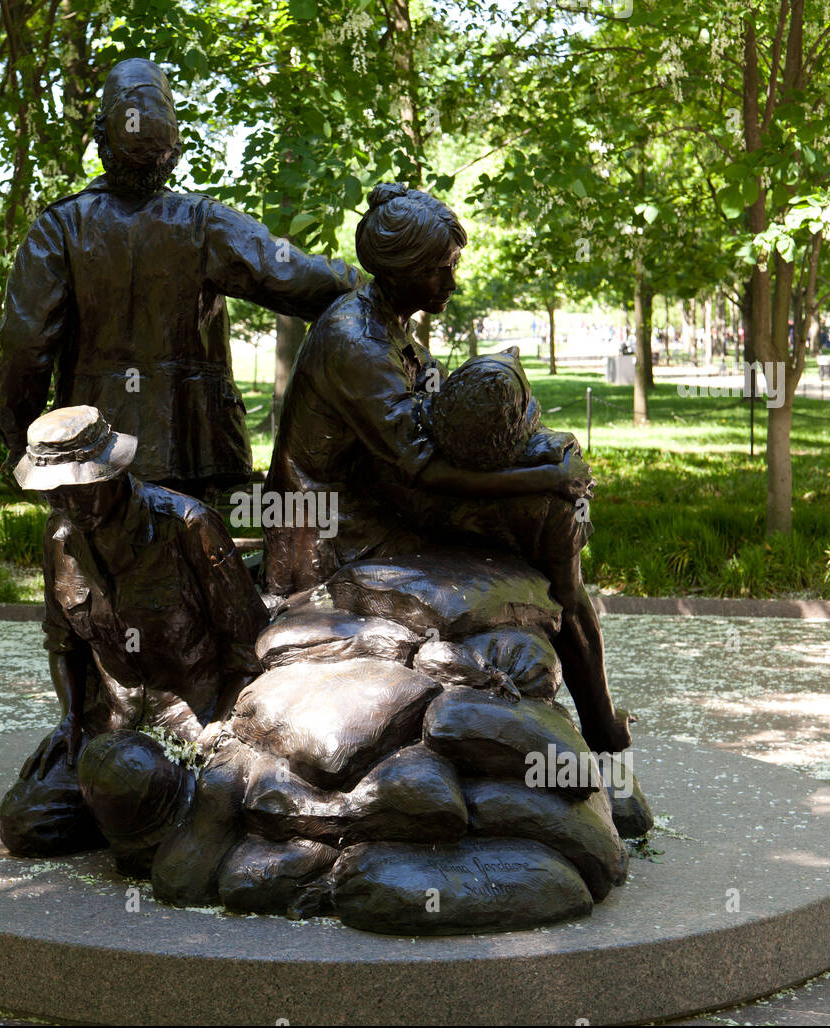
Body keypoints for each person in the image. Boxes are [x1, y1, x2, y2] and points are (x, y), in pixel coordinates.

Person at [263, 182, 631, 754]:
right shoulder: (356, 340)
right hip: (343, 524)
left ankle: (599, 724)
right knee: (550, 515)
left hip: (386, 488)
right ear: (401, 269)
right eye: (439, 270)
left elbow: (437, 411)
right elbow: (425, 467)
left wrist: (530, 443)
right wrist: (546, 480)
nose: (451, 283)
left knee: (554, 478)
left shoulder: (387, 321)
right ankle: (602, 731)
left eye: (451, 266)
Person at [0, 57, 361, 500]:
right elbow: (298, 276)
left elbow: (23, 348)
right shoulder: (203, 224)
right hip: (197, 453)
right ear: (175, 151)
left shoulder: (60, 228)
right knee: (202, 562)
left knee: (96, 564)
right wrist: (372, 281)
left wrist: (20, 443)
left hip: (92, 457)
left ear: (100, 139)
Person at [0, 405, 268, 856]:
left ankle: (141, 816)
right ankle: (127, 815)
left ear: (110, 475)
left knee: (159, 817)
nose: (63, 505)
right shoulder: (60, 535)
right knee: (25, 824)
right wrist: (71, 717)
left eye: (74, 491)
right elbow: (63, 641)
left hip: (190, 726)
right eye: (53, 495)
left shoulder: (188, 525)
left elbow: (247, 648)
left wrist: (219, 725)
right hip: (109, 727)